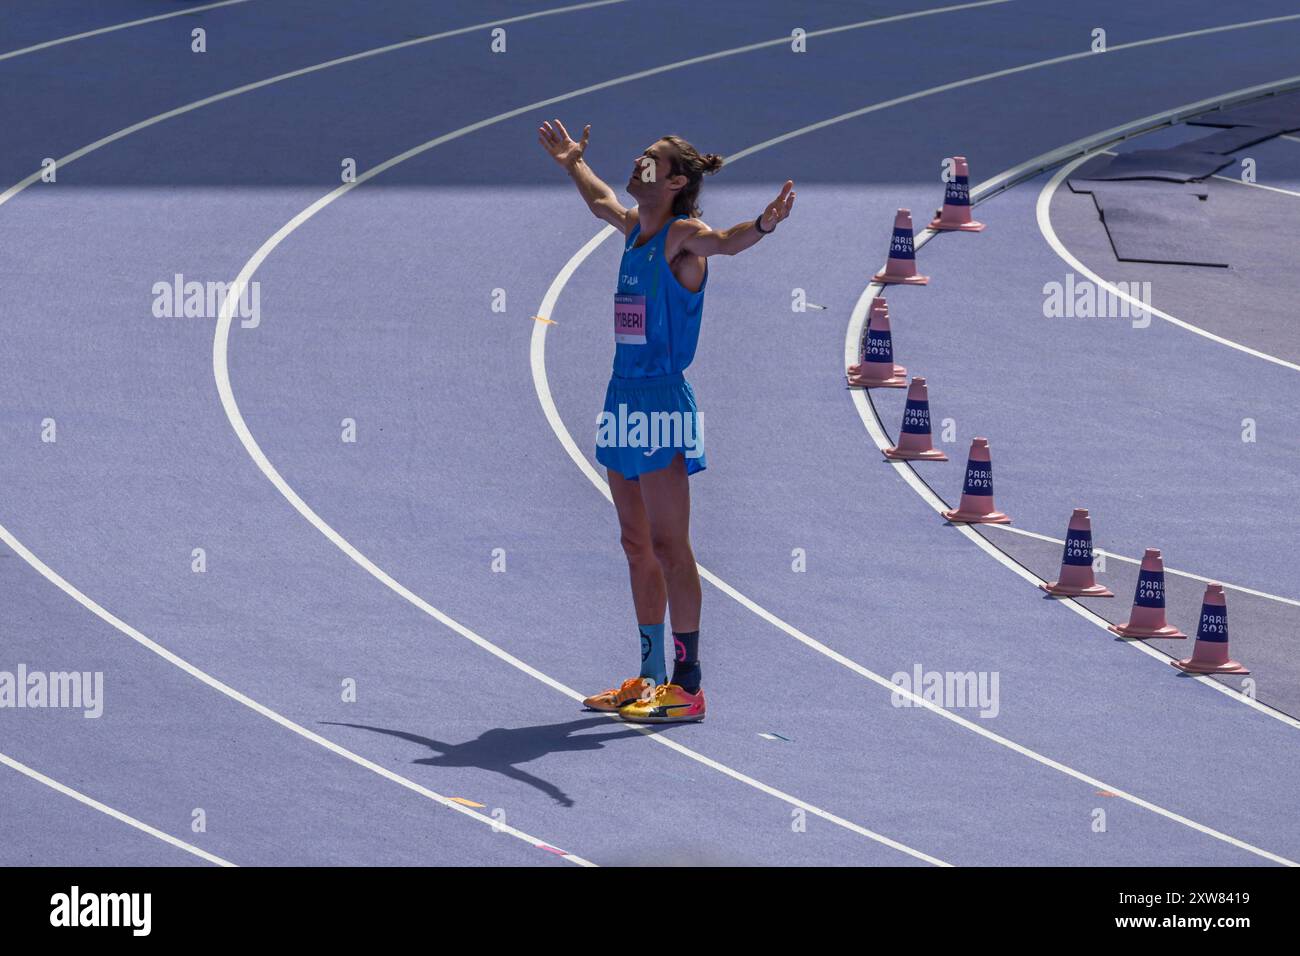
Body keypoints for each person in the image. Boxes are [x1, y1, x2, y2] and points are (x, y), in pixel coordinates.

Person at [538, 119, 794, 722]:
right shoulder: (633, 229)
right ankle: (650, 675)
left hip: (659, 403)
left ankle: (690, 683)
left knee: (669, 544)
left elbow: (725, 242)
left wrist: (762, 225)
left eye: (650, 160)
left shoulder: (683, 236)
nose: (637, 163)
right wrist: (573, 162)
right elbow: (602, 199)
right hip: (619, 399)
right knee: (634, 543)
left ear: (676, 181)